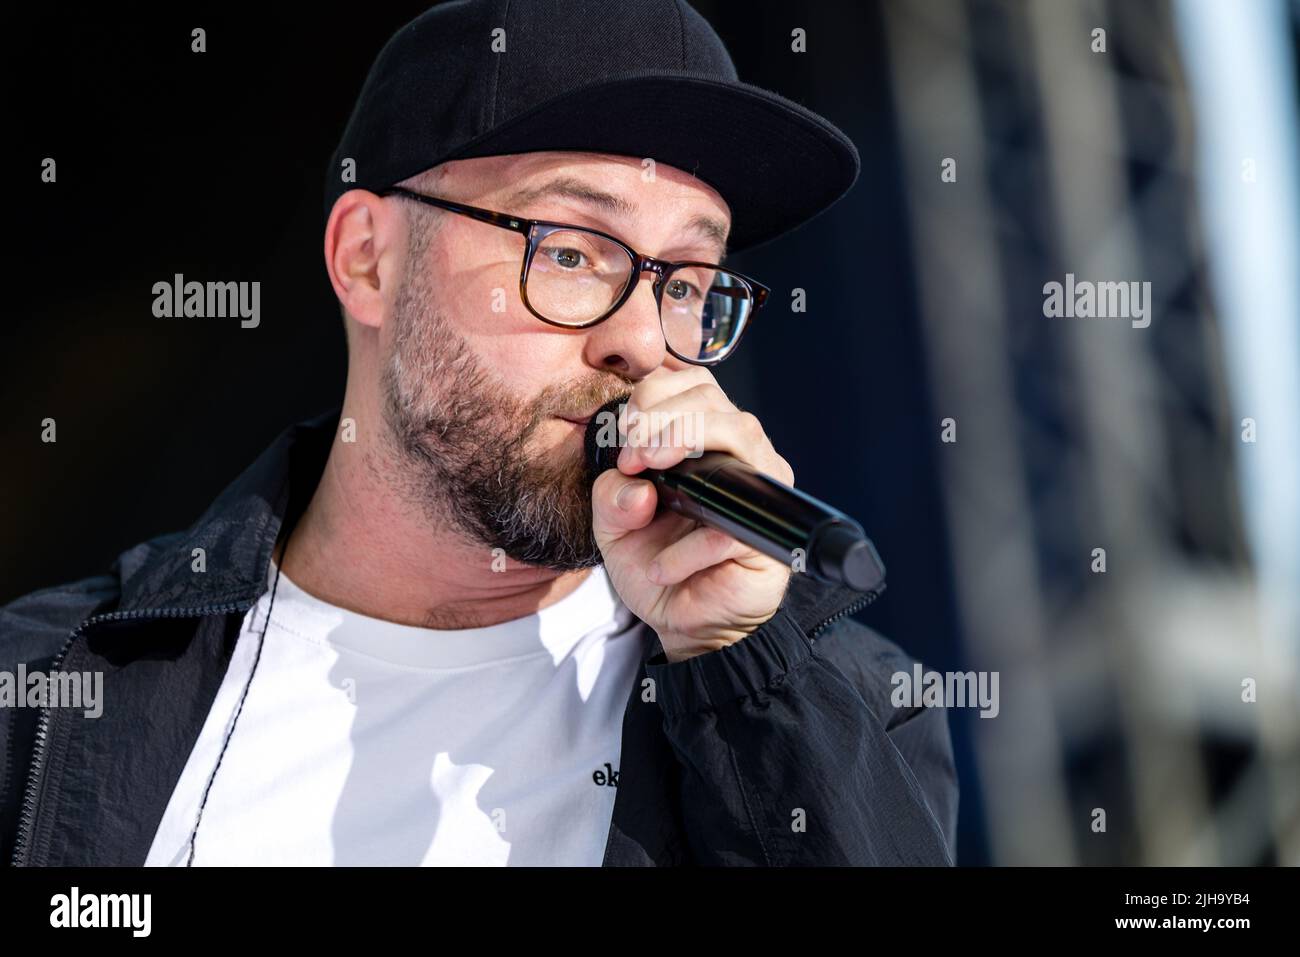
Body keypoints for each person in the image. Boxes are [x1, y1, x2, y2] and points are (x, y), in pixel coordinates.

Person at [0, 0, 957, 866]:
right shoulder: (43, 684)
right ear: (369, 261)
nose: (640, 342)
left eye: (687, 282)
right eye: (572, 250)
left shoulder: (852, 710)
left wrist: (750, 675)